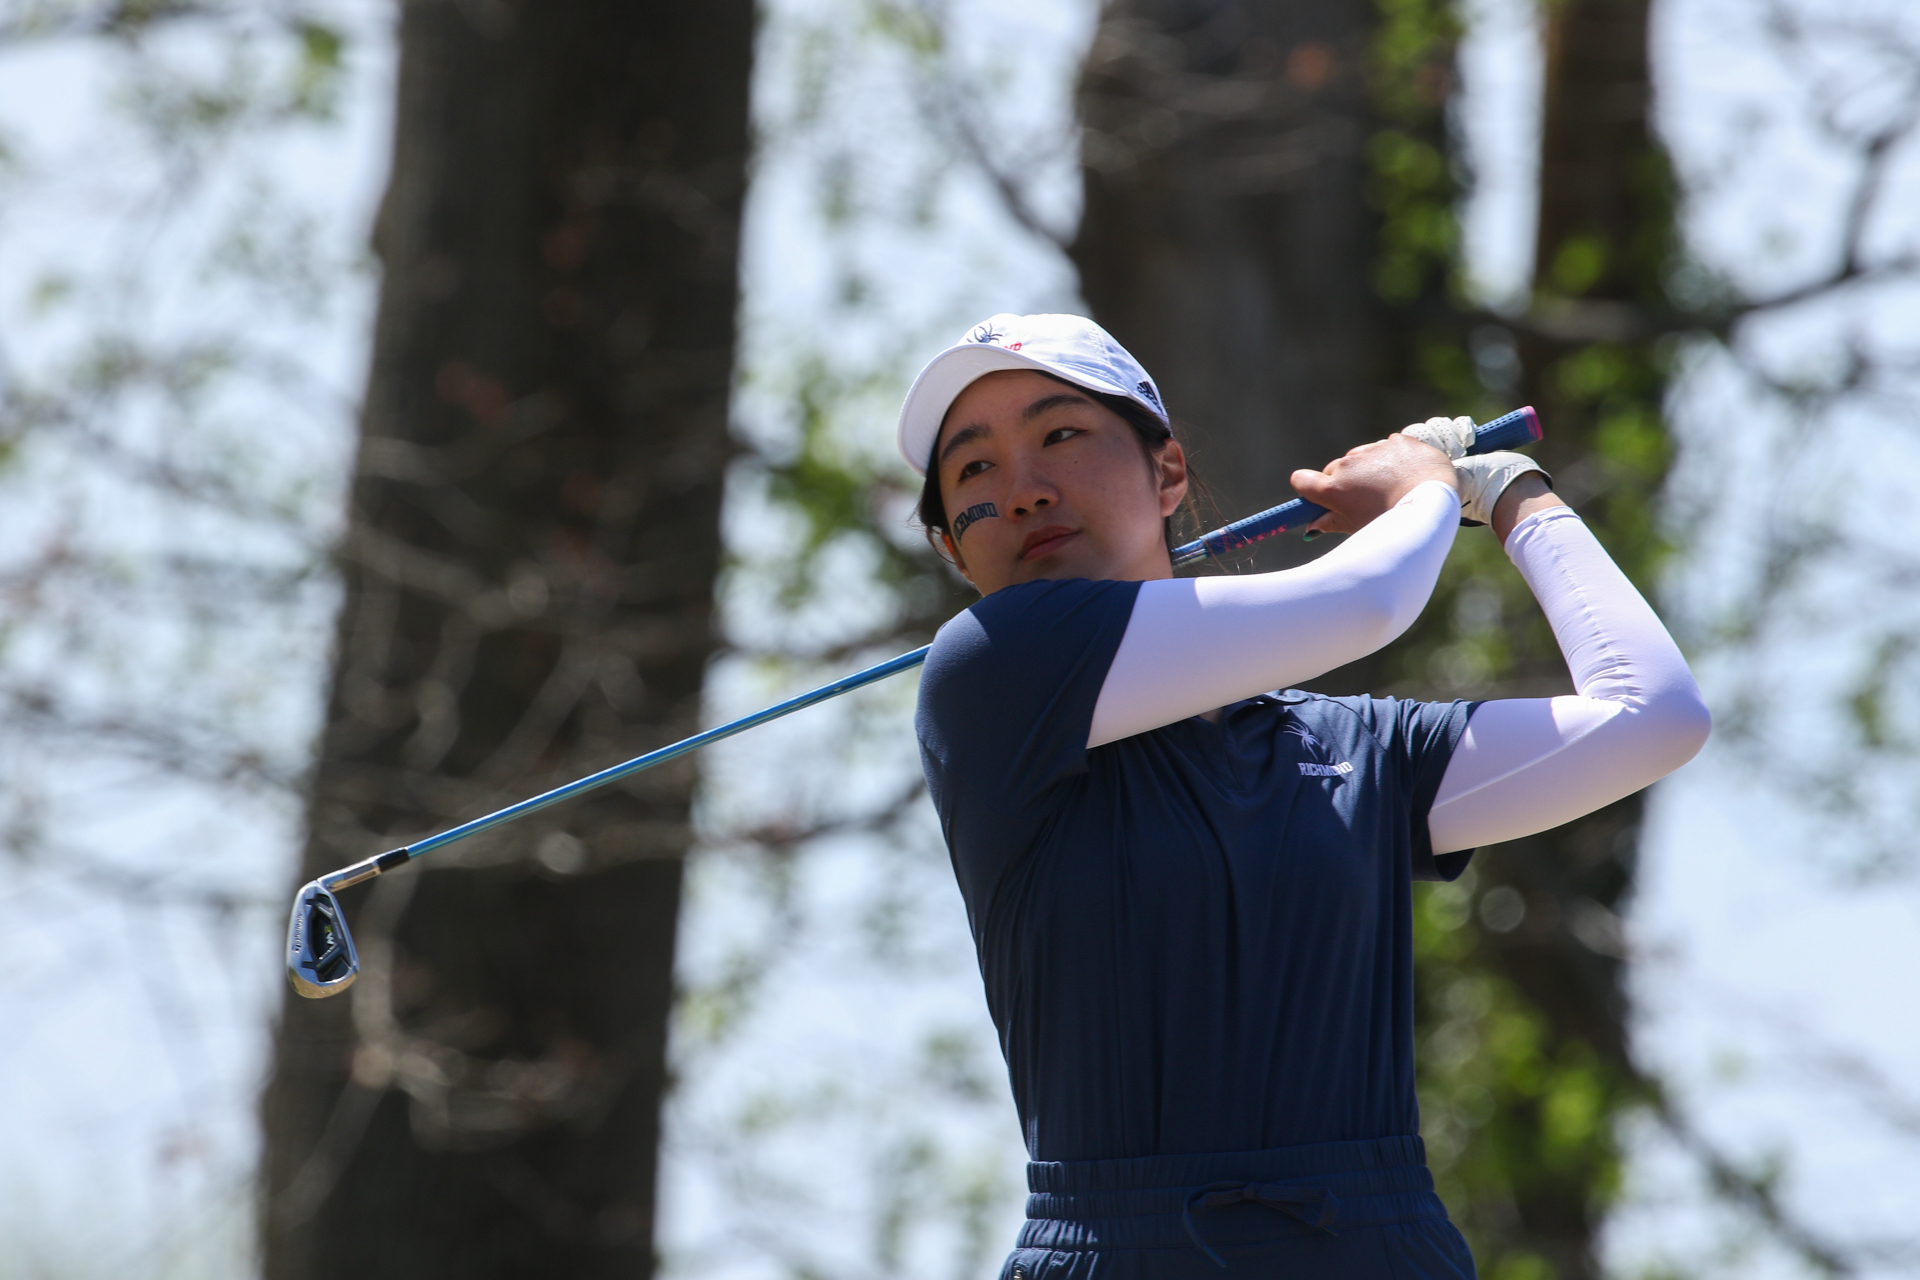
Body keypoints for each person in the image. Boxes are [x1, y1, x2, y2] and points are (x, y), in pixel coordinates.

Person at [902, 314, 1711, 1280]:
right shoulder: (990, 672)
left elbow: (1652, 715)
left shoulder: (1356, 748)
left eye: (1060, 435)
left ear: (1168, 475)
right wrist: (1423, 490)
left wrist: (1512, 497)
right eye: (974, 471)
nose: (1024, 487)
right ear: (953, 545)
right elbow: (1365, 603)